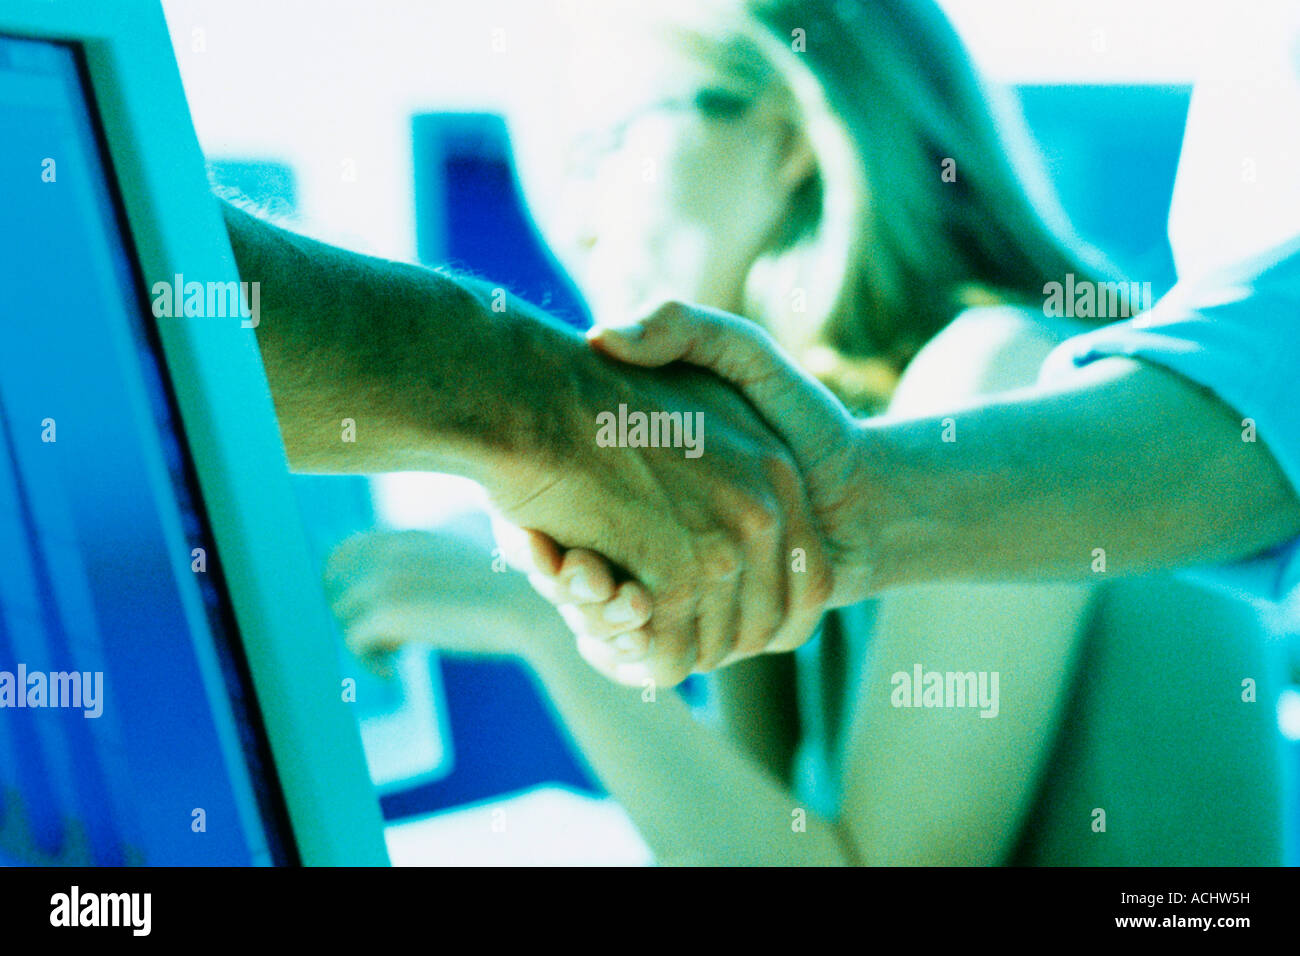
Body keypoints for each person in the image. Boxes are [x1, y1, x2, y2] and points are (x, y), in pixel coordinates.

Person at [325, 0, 1291, 863]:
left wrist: (535, 621)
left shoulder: (990, 377)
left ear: (785, 135)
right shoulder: (797, 456)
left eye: (602, 150)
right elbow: (767, 838)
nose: (570, 226)